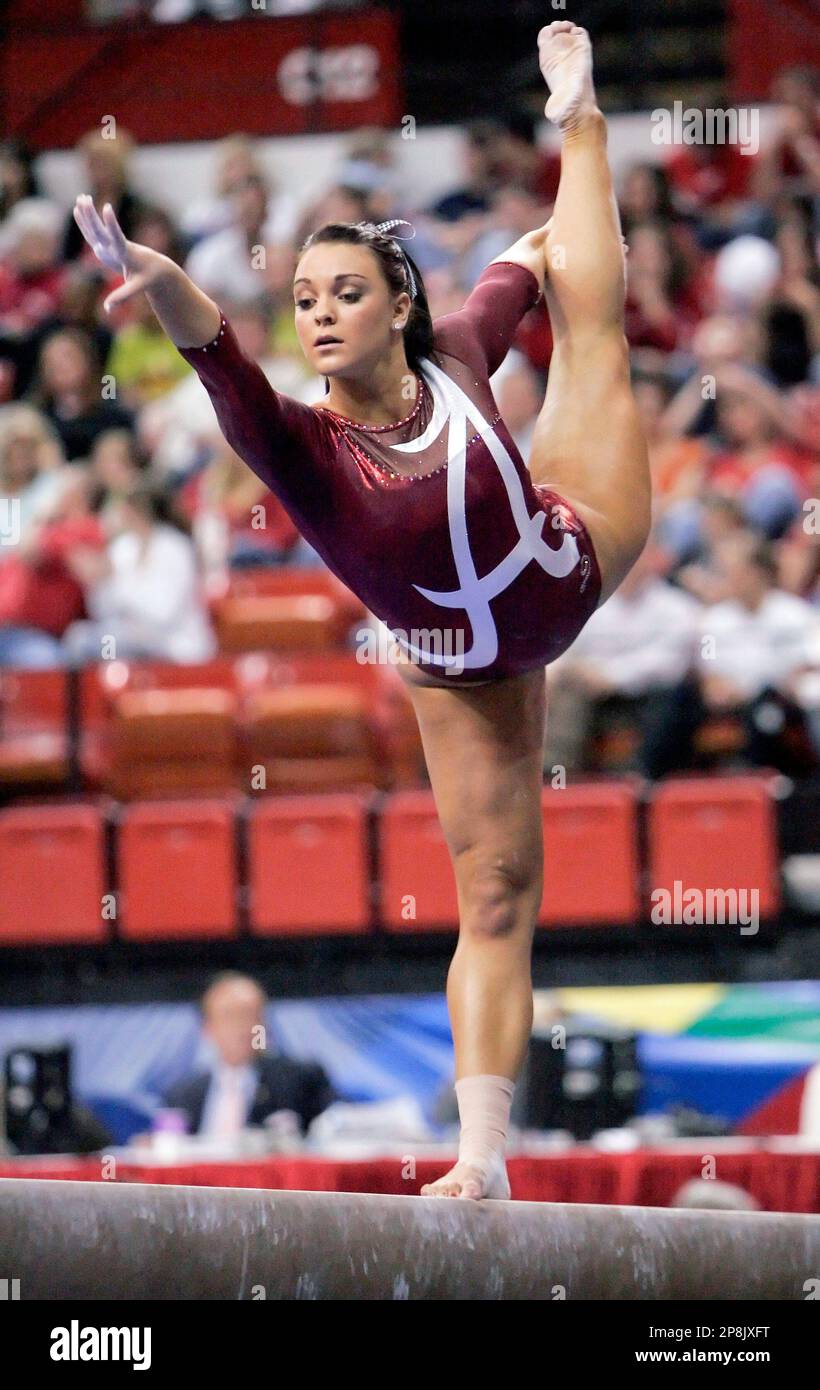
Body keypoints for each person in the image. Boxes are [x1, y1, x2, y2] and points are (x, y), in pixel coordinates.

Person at [72, 21, 651, 1199]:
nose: (320, 313)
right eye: (303, 298)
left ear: (398, 305)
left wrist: (543, 239)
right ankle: (483, 1155)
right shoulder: (300, 450)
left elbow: (512, 284)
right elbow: (218, 358)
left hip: (574, 547)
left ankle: (579, 120)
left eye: (345, 292)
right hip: (457, 673)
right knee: (492, 894)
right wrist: (167, 280)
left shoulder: (463, 359)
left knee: (595, 330)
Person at [162, 972, 337, 1139]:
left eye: (251, 1016)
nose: (244, 1027)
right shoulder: (182, 1094)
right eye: (230, 1016)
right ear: (208, 1028)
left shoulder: (300, 1080)